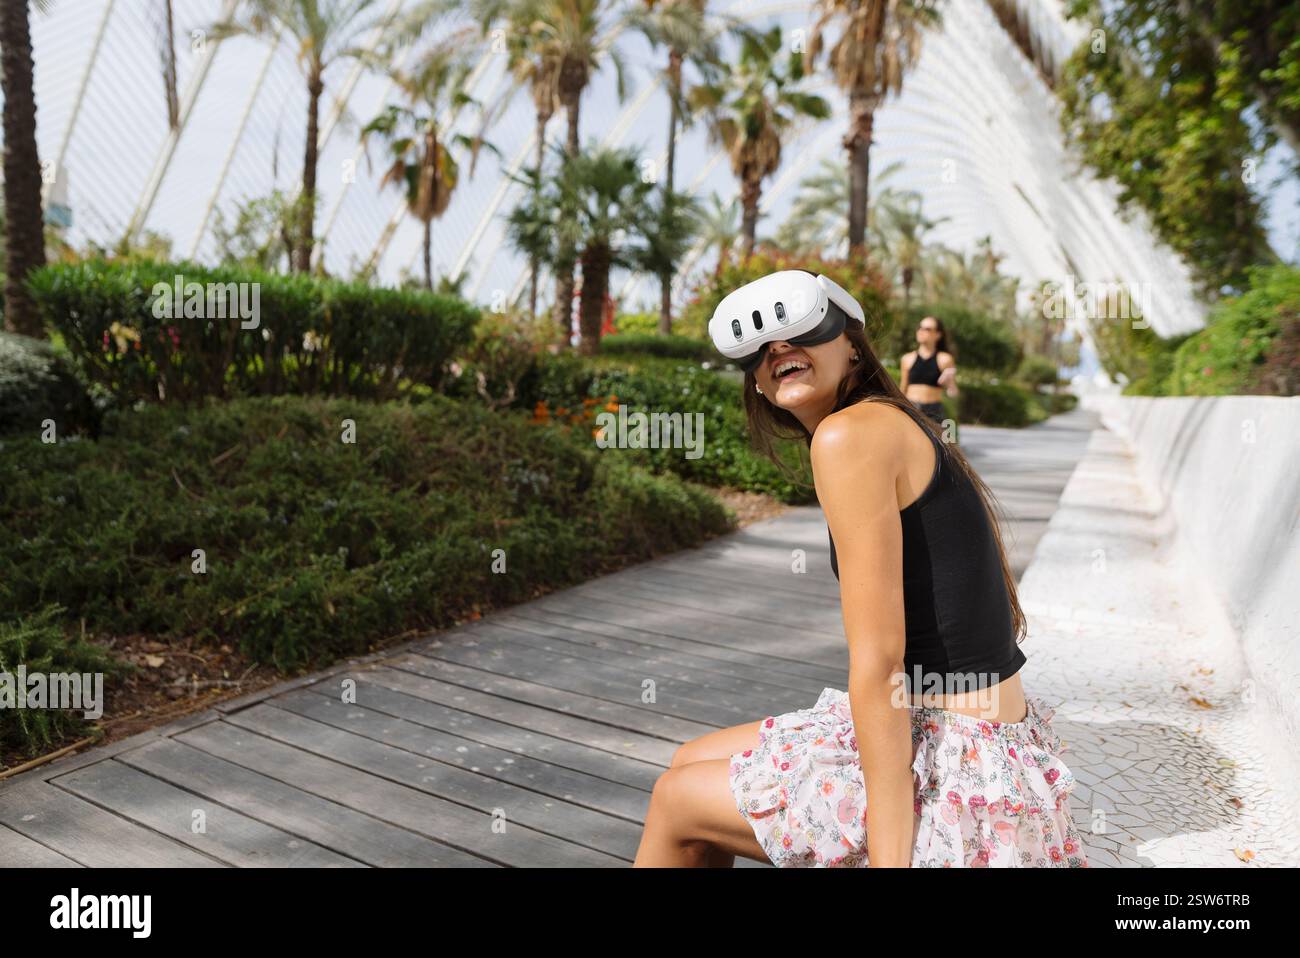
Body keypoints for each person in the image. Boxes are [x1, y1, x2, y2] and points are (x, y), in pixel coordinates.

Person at [632, 273, 1088, 868]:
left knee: (676, 801)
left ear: (852, 344)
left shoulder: (848, 436)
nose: (778, 352)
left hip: (959, 768)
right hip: (989, 743)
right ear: (757, 382)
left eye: (800, 332)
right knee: (689, 759)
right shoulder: (885, 419)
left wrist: (889, 859)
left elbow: (880, 665)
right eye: (761, 349)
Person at [900, 315, 958, 432]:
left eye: (927, 329)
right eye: (920, 328)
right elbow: (902, 389)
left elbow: (953, 394)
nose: (921, 331)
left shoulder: (945, 359)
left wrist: (949, 382)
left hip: (934, 412)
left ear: (938, 335)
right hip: (911, 409)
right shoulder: (907, 359)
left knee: (946, 446)